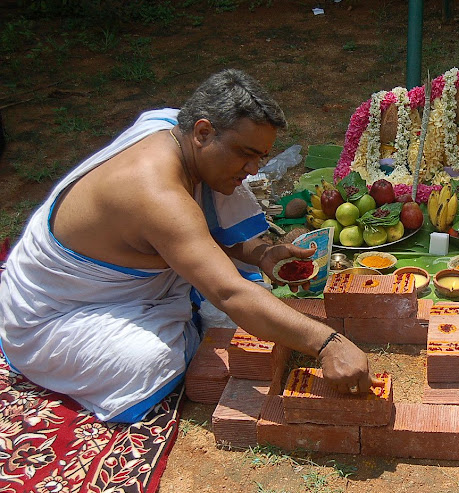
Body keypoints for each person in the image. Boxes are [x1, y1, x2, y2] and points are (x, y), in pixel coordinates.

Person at [0, 69, 377, 423]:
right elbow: (229, 292)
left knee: (245, 307)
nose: (255, 170)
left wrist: (260, 253)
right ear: (202, 132)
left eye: (261, 156)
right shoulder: (156, 193)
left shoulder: (171, 126)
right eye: (246, 154)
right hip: (56, 314)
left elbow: (199, 231)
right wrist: (328, 343)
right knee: (153, 361)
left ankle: (187, 306)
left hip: (133, 285)